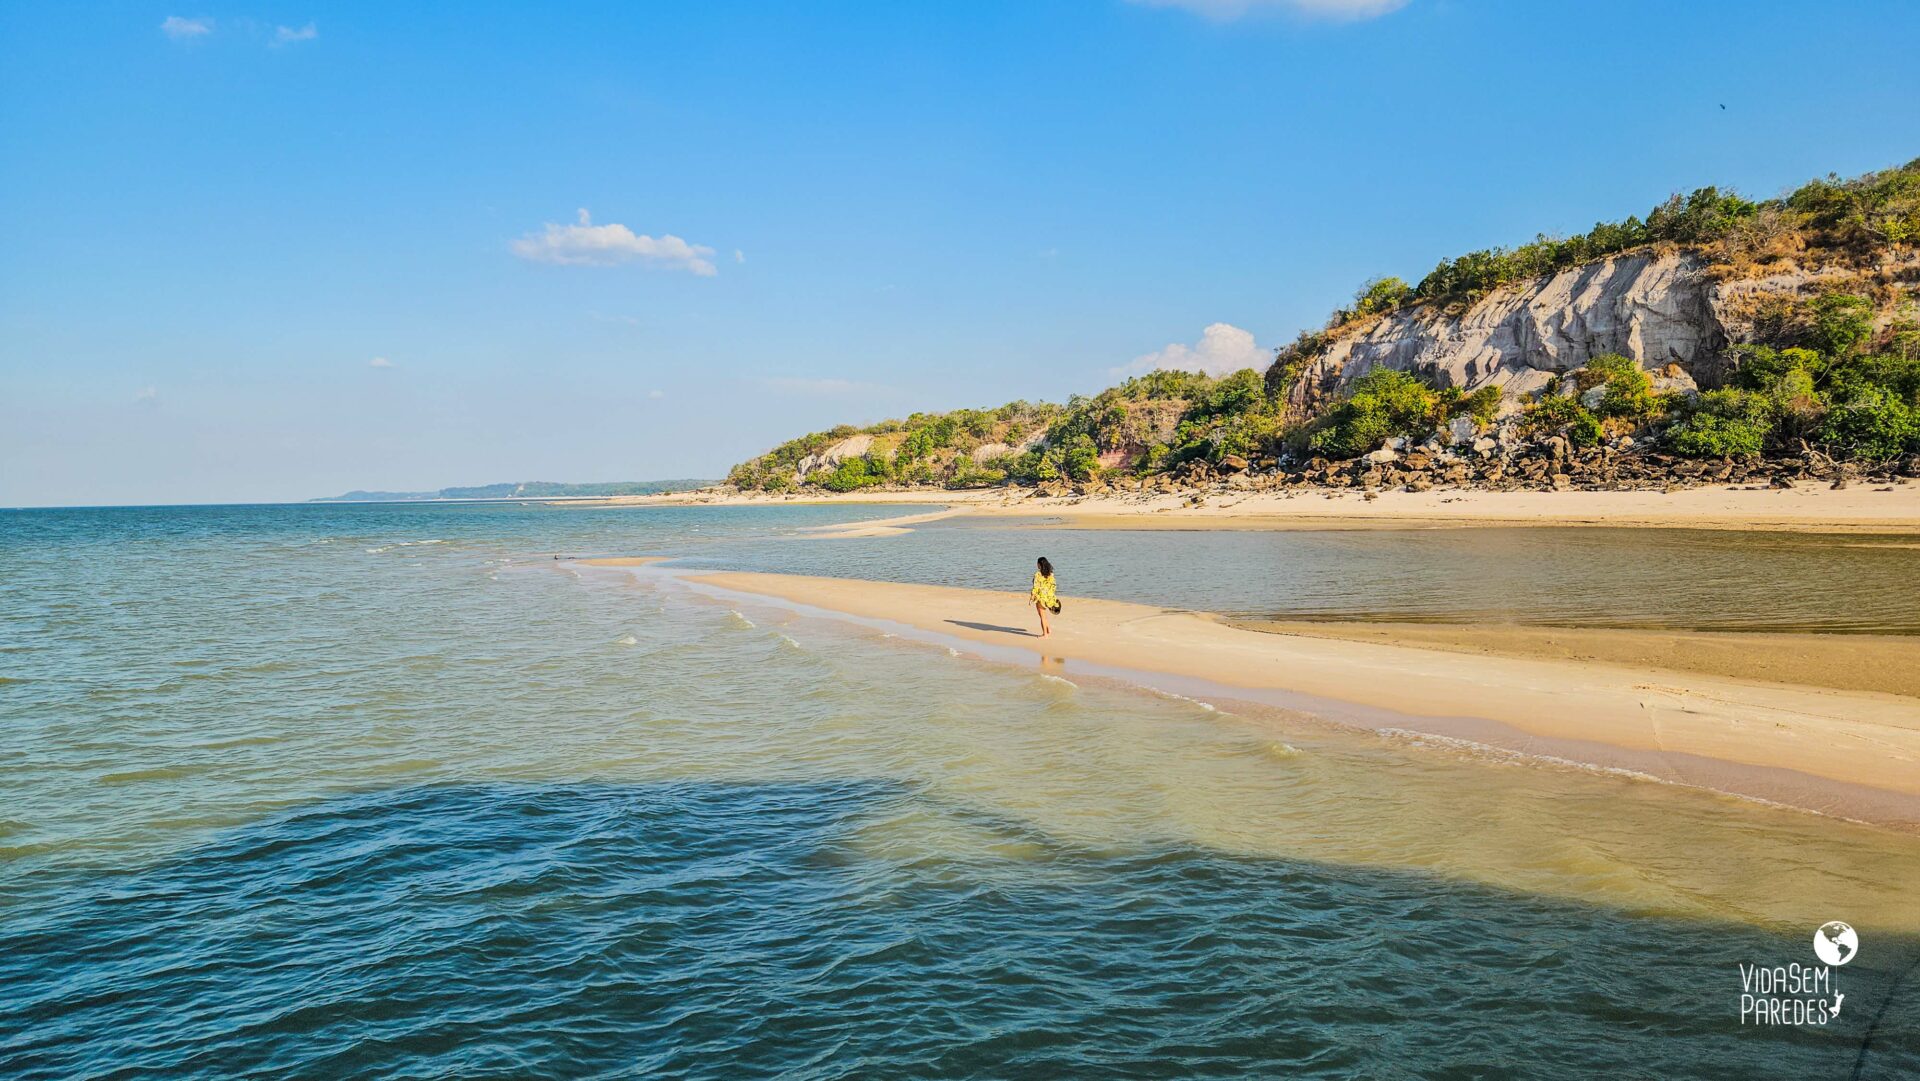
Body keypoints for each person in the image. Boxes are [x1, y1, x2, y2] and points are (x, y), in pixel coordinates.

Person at [1030, 557, 1061, 638]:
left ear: (1039, 565)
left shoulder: (1038, 574)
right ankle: (1048, 629)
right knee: (1043, 615)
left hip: (1040, 598)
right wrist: (1051, 596)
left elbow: (1035, 587)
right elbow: (1054, 586)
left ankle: (1045, 634)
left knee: (1042, 616)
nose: (1036, 565)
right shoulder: (1051, 574)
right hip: (1049, 598)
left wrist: (1032, 597)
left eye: (1037, 563)